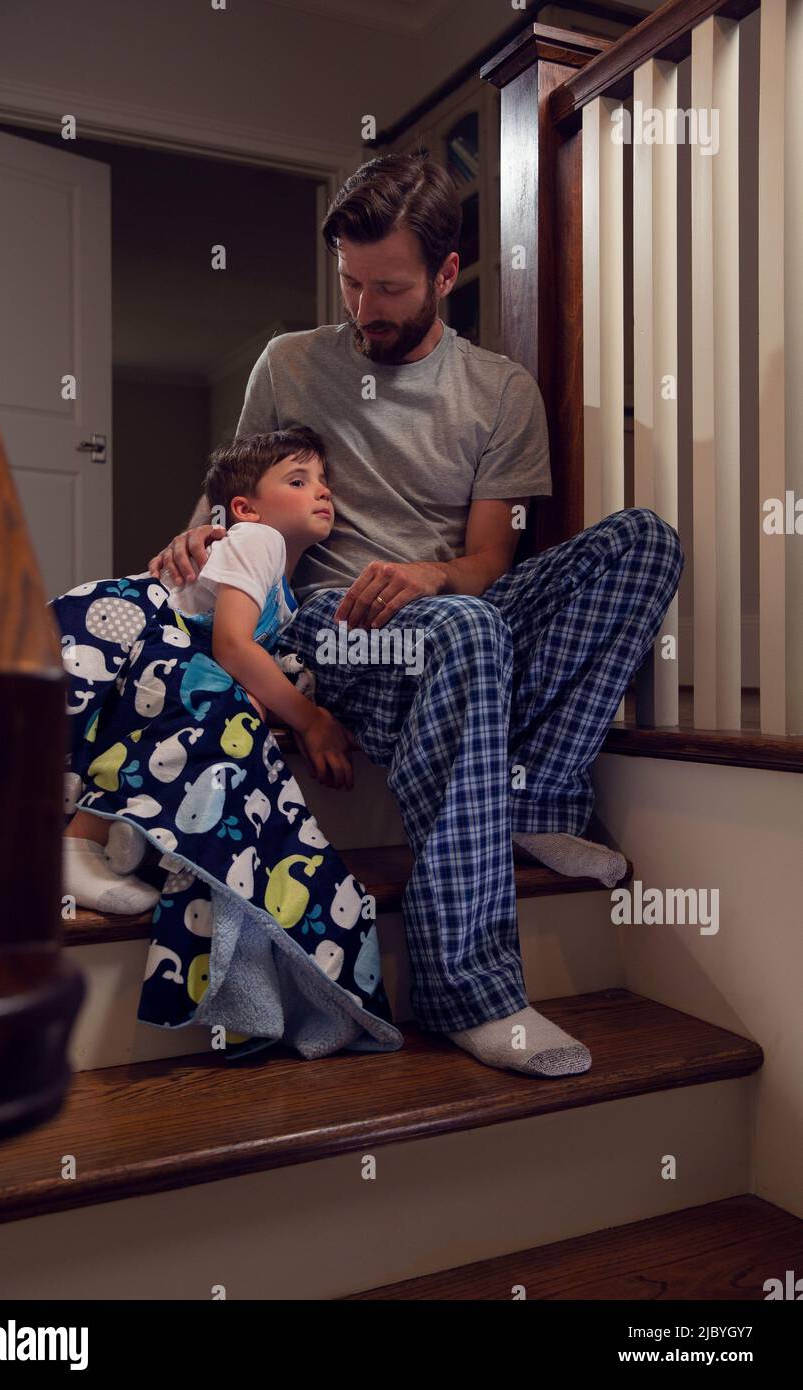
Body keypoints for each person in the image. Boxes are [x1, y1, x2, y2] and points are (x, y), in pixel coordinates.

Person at [149, 152, 684, 1079]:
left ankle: (536, 793)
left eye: (389, 287)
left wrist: (432, 577)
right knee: (473, 638)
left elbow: (487, 564)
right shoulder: (287, 363)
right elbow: (228, 507)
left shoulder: (502, 392)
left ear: (446, 273)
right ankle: (471, 987)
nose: (365, 310)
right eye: (350, 284)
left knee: (646, 542)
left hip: (448, 615)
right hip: (331, 622)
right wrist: (189, 550)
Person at [53, 426, 403, 1059]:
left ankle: (134, 829)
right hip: (124, 629)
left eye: (324, 482)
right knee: (215, 693)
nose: (321, 492)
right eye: (298, 481)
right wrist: (310, 719)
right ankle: (79, 839)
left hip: (162, 654)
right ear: (245, 508)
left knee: (220, 709)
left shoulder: (283, 592)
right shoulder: (258, 540)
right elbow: (233, 647)